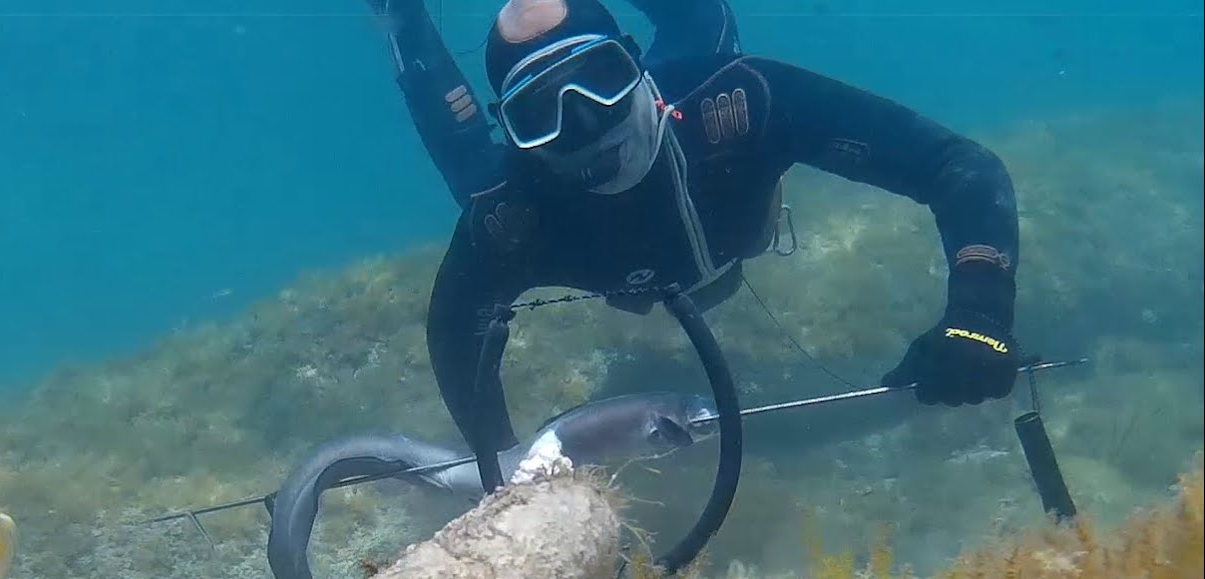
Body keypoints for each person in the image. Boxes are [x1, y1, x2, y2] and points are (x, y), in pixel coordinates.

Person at [367, 0, 1023, 454]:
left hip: (706, 145)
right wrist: (502, 464)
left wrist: (980, 311)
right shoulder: (512, 210)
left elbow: (958, 167)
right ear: (517, 131)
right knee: (465, 163)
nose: (587, 127)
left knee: (704, 23)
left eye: (601, 81)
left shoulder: (738, 104)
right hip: (563, 207)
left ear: (637, 67)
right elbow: (455, 326)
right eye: (540, 114)